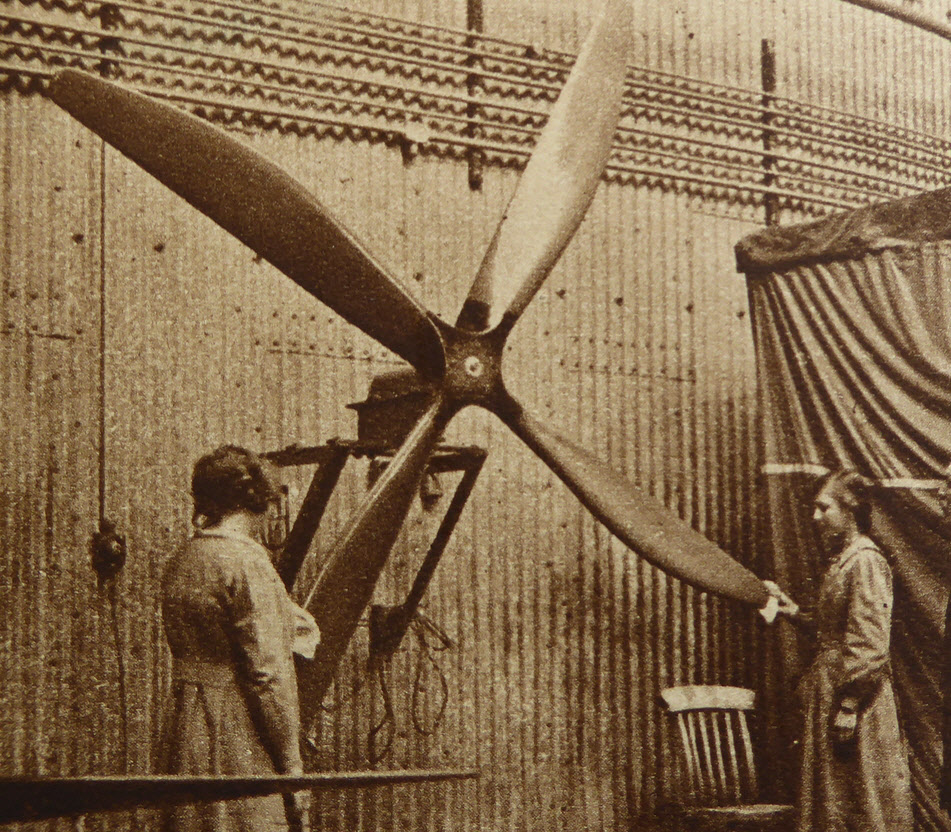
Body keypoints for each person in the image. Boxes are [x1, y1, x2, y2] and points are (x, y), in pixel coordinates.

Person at [157, 445, 312, 832]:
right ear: (262, 501)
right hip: (235, 727)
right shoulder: (247, 562)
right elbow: (268, 675)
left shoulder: (185, 557)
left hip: (184, 723)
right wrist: (292, 765)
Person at [768, 470, 913, 832]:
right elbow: (833, 629)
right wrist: (794, 612)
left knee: (858, 799)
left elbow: (870, 640)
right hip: (831, 689)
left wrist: (849, 704)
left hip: (855, 699)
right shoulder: (844, 560)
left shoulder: (865, 560)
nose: (816, 517)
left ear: (850, 510)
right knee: (832, 800)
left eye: (824, 508)